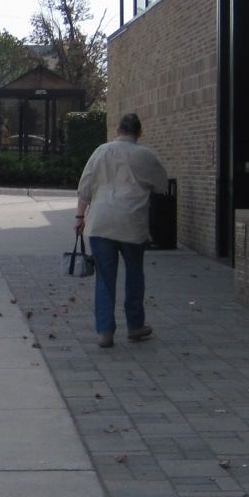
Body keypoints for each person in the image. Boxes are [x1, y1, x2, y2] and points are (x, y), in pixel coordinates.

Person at [75, 112, 170, 348]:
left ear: (118, 130)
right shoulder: (145, 155)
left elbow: (85, 187)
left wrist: (79, 217)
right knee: (134, 274)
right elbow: (161, 184)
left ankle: (105, 331)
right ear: (139, 132)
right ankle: (135, 325)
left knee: (105, 279)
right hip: (132, 222)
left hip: (101, 221)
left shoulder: (101, 151)